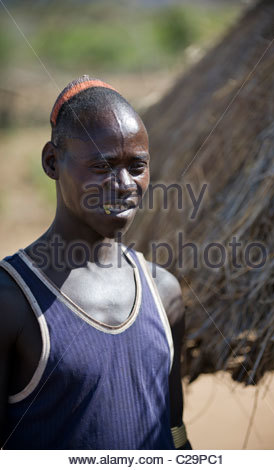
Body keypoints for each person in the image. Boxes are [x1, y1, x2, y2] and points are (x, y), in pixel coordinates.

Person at [0, 75, 191, 450]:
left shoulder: (163, 293)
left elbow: (174, 429)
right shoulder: (12, 301)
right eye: (102, 166)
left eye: (136, 166)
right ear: (52, 162)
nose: (123, 184)